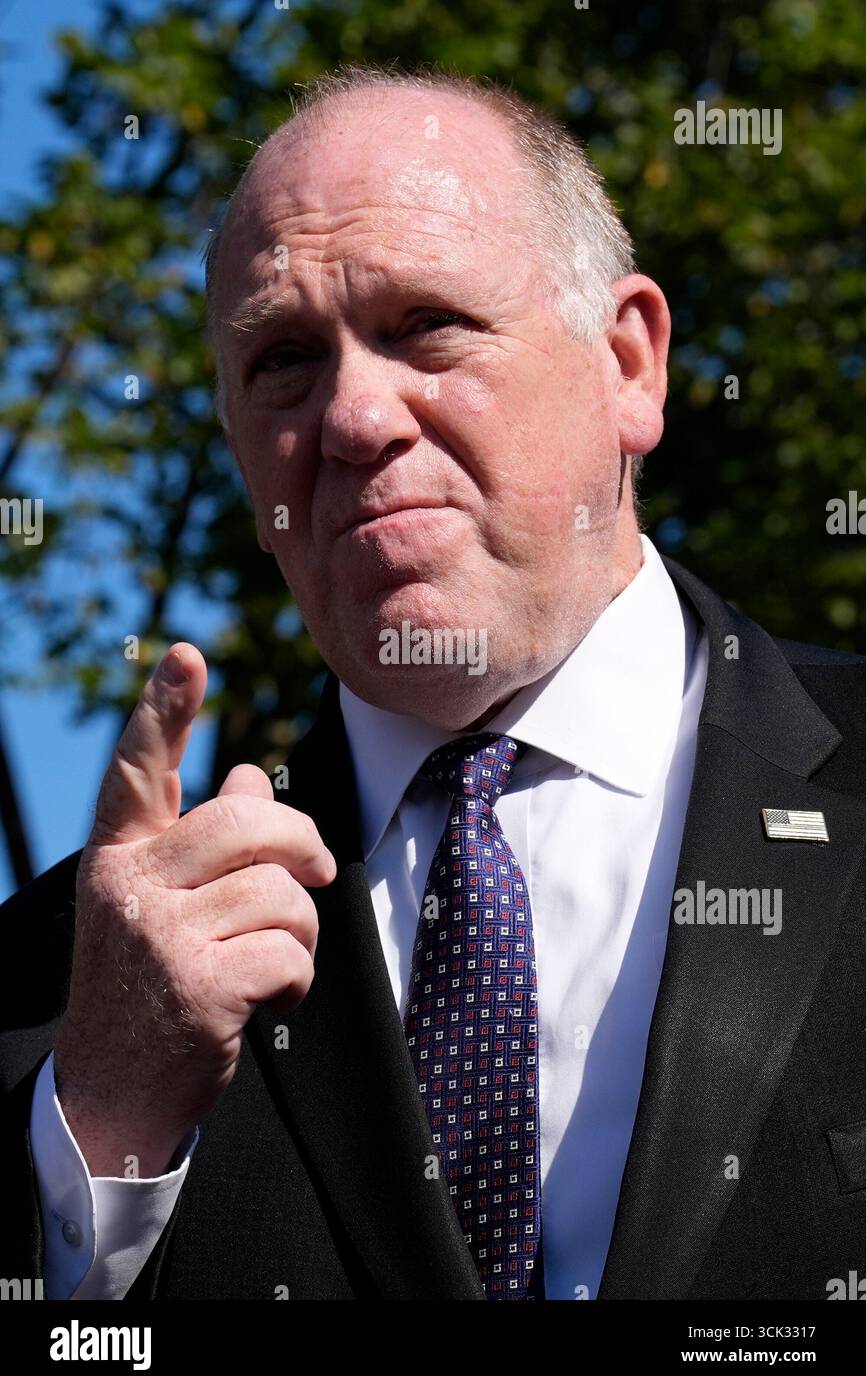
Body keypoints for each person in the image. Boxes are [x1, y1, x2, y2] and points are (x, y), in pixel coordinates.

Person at [2, 65, 865, 1302]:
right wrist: (107, 1139)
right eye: (283, 360)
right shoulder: (70, 978)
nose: (354, 418)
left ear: (628, 364)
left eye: (426, 326)